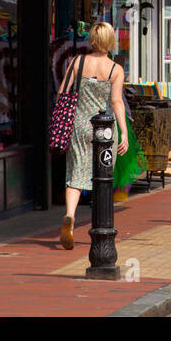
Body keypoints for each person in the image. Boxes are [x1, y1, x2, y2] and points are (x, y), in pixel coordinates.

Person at [58, 21, 129, 249]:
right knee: (103, 174)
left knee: (75, 173)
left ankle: (70, 215)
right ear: (110, 41)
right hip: (105, 128)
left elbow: (63, 92)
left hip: (79, 124)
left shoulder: (77, 61)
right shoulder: (115, 69)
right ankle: (100, 222)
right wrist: (124, 132)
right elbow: (117, 102)